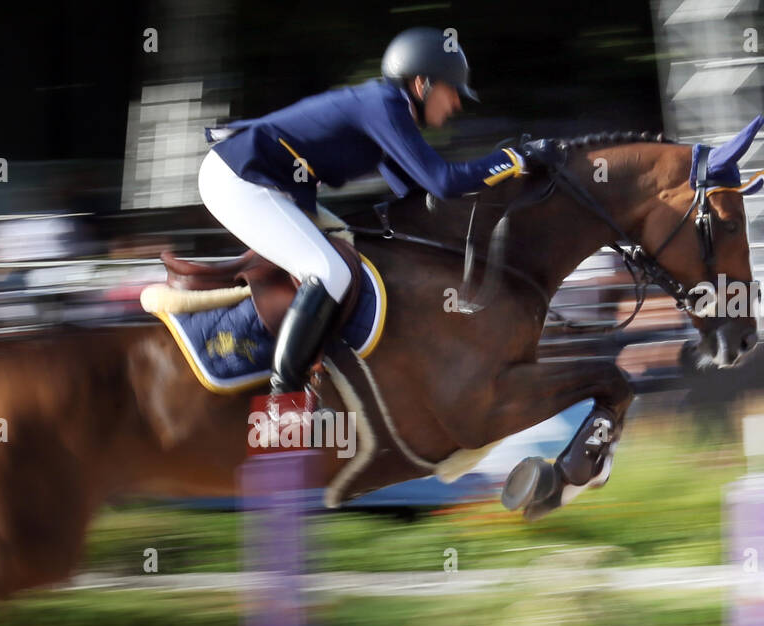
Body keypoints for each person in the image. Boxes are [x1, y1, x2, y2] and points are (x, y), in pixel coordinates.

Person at [200, 26, 540, 398]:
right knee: (328, 271)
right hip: (241, 180)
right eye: (453, 92)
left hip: (269, 185)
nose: (457, 104)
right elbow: (443, 181)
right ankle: (283, 400)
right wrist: (515, 159)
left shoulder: (388, 111)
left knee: (356, 257)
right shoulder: (384, 104)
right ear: (422, 84)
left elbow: (417, 196)